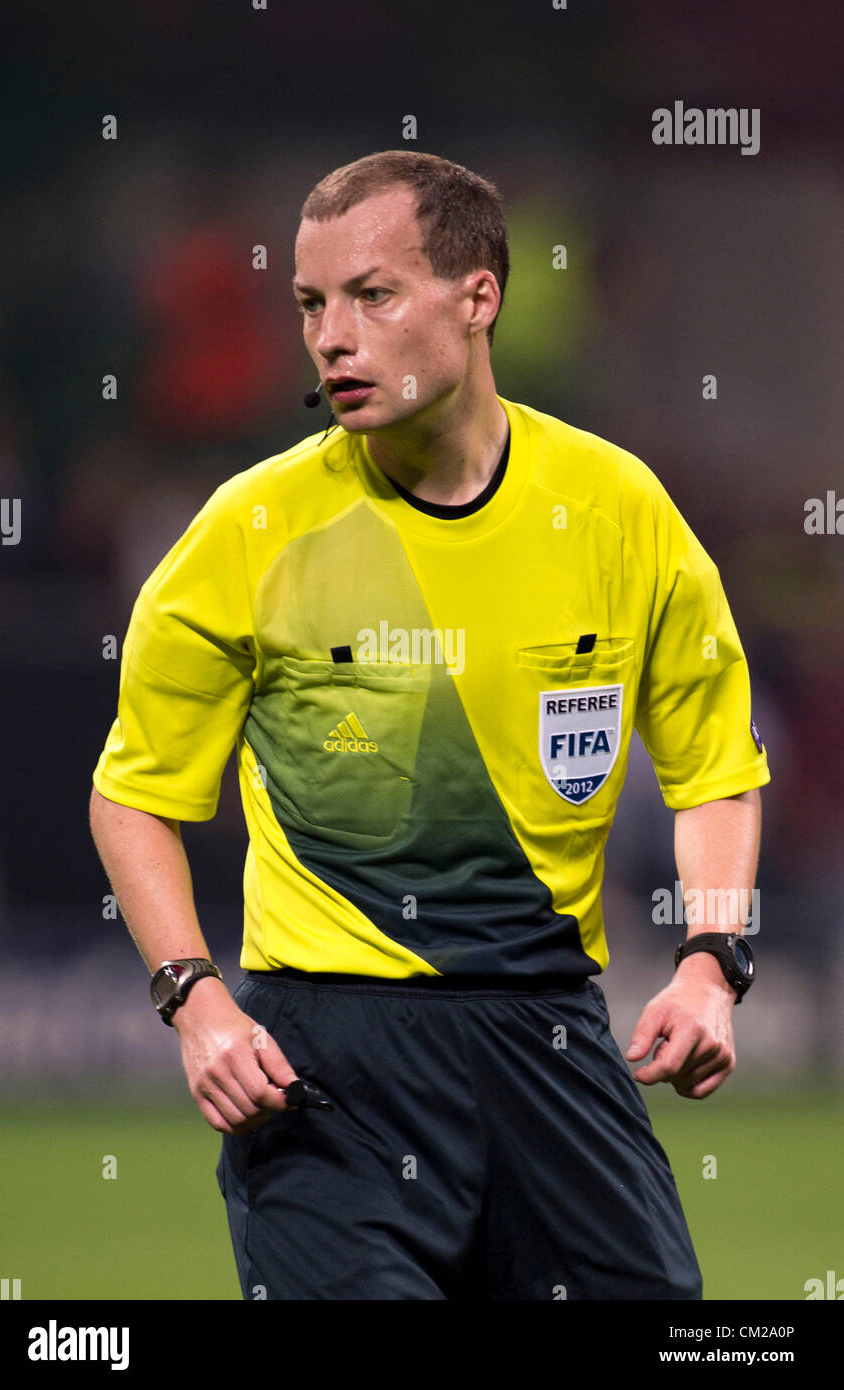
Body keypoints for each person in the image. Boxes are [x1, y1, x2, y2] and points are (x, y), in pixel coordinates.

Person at [90, 149, 769, 1301]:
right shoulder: (246, 531)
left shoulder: (615, 508)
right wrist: (194, 998)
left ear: (477, 298)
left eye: (371, 294)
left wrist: (709, 962)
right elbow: (136, 797)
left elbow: (713, 769)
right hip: (325, 1062)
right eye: (310, 304)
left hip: (549, 1037)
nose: (330, 338)